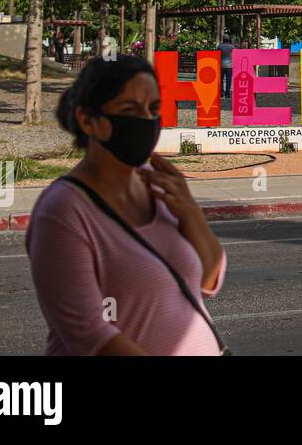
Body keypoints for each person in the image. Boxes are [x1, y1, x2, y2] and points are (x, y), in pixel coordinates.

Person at [26, 56, 228, 355]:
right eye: (129, 110)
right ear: (88, 120)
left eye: (154, 109)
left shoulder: (157, 185)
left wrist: (189, 210)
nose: (146, 121)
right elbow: (90, 335)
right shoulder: (63, 211)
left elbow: (209, 281)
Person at [218, 33, 234, 97]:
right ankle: (227, 93)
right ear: (228, 39)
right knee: (228, 80)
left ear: (223, 39)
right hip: (230, 66)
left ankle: (221, 92)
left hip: (221, 65)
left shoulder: (220, 46)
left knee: (221, 79)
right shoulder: (232, 47)